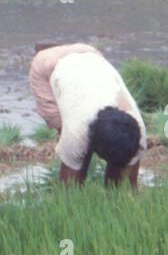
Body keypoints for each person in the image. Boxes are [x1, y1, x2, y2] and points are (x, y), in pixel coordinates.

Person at [28, 43, 148, 188]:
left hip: (89, 53)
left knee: (118, 169)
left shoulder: (138, 134)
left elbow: (130, 185)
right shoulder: (75, 133)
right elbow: (66, 193)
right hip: (47, 66)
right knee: (74, 148)